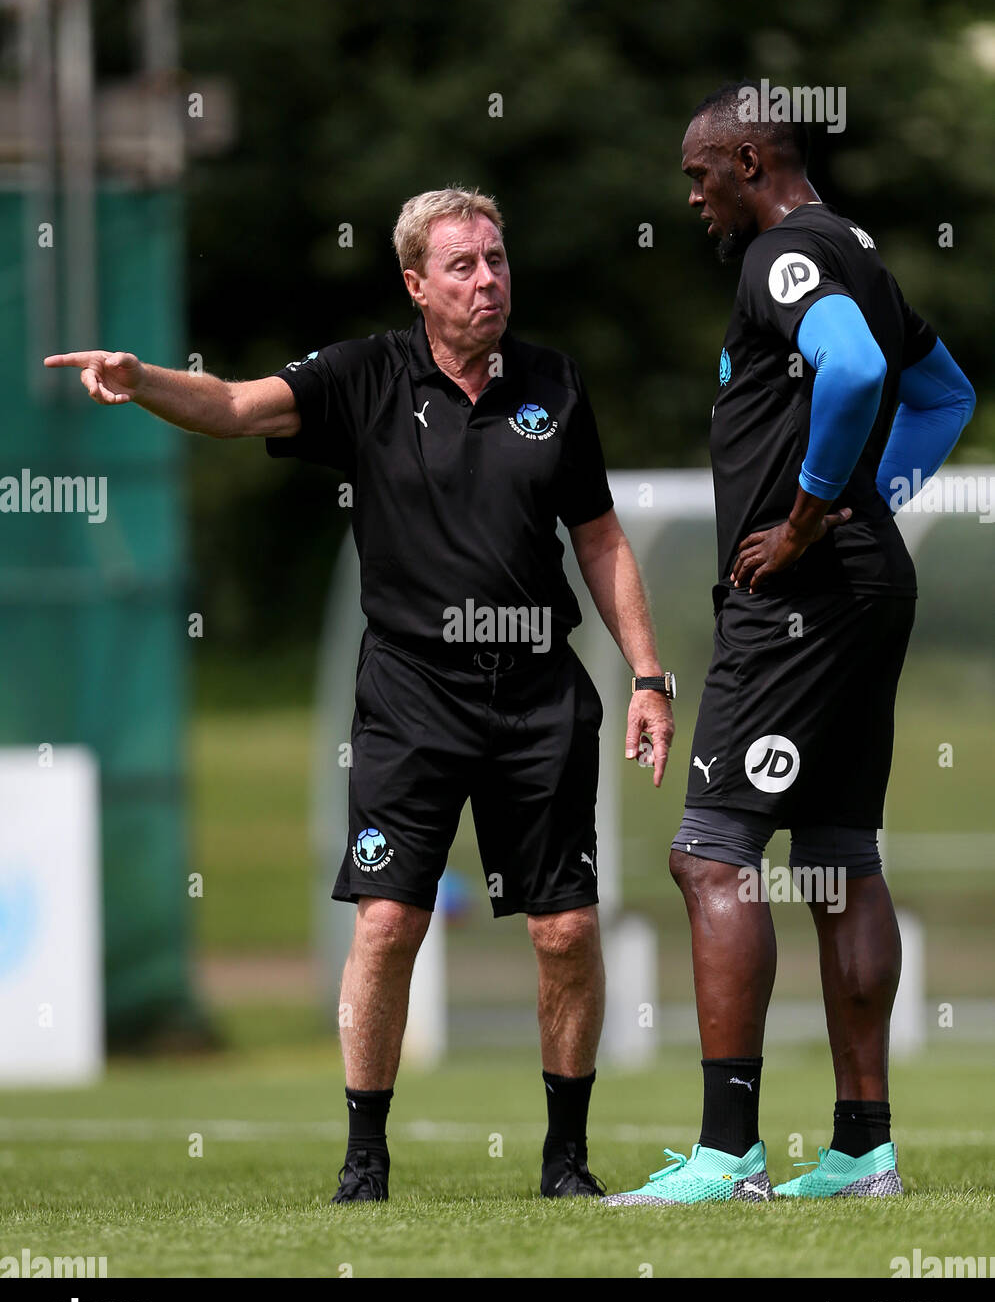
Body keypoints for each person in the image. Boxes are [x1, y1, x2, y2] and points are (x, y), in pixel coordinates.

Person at [45, 185, 676, 1204]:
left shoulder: (553, 384)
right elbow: (236, 405)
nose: (486, 281)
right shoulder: (363, 376)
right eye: (462, 266)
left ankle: (565, 1161)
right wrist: (140, 378)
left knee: (563, 930)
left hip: (538, 697)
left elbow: (597, 537)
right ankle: (364, 1159)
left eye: (496, 260)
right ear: (414, 283)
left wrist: (646, 675)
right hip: (411, 698)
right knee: (387, 924)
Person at [604, 83, 974, 1207]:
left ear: (751, 158)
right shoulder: (856, 249)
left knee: (710, 853)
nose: (691, 193)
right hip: (866, 590)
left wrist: (815, 512)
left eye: (698, 170)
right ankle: (862, 1152)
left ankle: (727, 1156)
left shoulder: (782, 259)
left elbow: (862, 375)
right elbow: (944, 390)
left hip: (800, 598)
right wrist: (874, 499)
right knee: (838, 855)